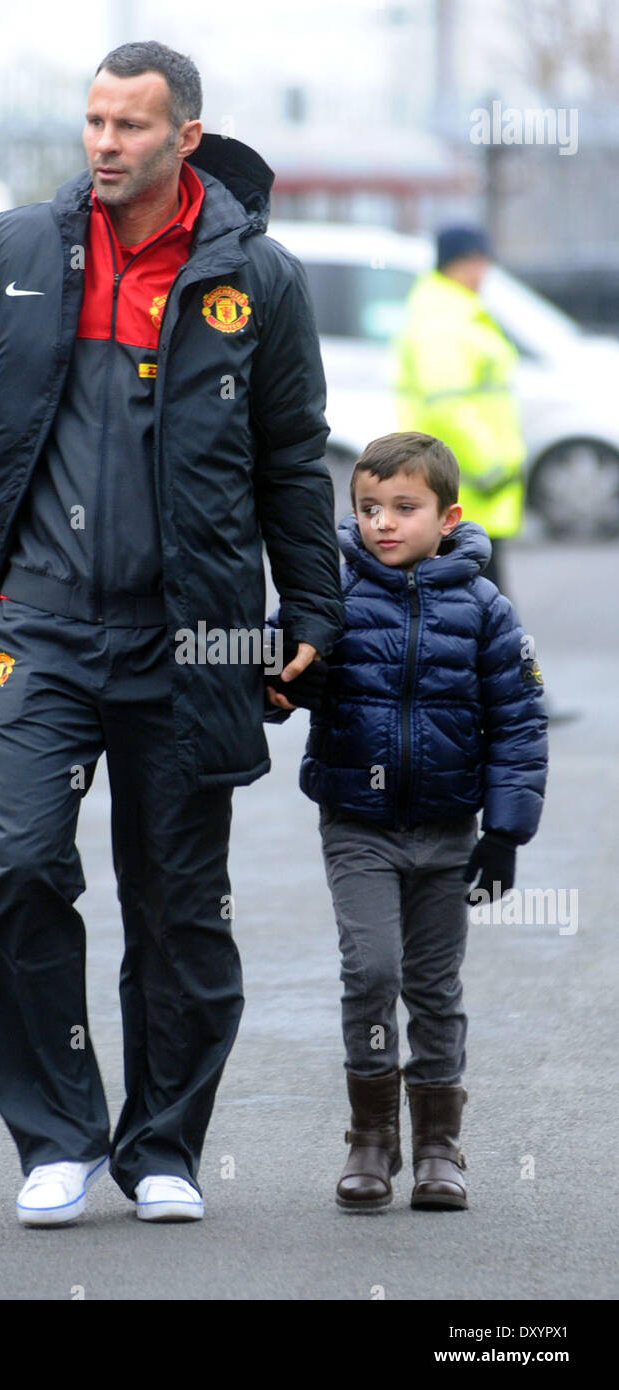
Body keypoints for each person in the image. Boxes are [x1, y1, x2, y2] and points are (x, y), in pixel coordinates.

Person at [0, 41, 343, 1227]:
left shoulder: (262, 278)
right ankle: (56, 1137)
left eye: (132, 126)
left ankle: (162, 1149)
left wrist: (312, 608)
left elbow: (294, 458)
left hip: (194, 638)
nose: (105, 142)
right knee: (25, 866)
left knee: (180, 903)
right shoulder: (16, 251)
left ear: (185, 137)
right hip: (34, 624)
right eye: (95, 120)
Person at [286, 431, 548, 1212]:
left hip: (447, 831)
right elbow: (291, 669)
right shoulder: (331, 591)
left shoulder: (484, 608)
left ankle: (438, 1145)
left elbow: (520, 723)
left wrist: (504, 835)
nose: (383, 524)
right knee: (372, 973)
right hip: (357, 824)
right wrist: (277, 675)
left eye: (405, 508)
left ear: (449, 516)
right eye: (369, 508)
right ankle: (371, 1140)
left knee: (434, 987)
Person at [394, 225, 524, 597]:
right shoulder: (443, 319)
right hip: (466, 485)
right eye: (474, 261)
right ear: (453, 264)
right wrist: (490, 465)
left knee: (476, 606)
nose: (482, 272)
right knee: (477, 608)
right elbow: (446, 404)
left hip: (465, 488)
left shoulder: (455, 311)